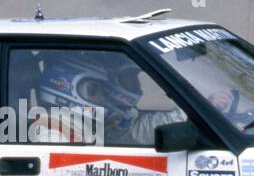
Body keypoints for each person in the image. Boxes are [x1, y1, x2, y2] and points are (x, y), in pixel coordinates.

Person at [36, 53, 184, 146]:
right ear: (64, 87)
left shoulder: (90, 124)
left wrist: (190, 117)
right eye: (94, 90)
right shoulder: (53, 136)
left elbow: (136, 134)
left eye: (103, 90)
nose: (102, 97)